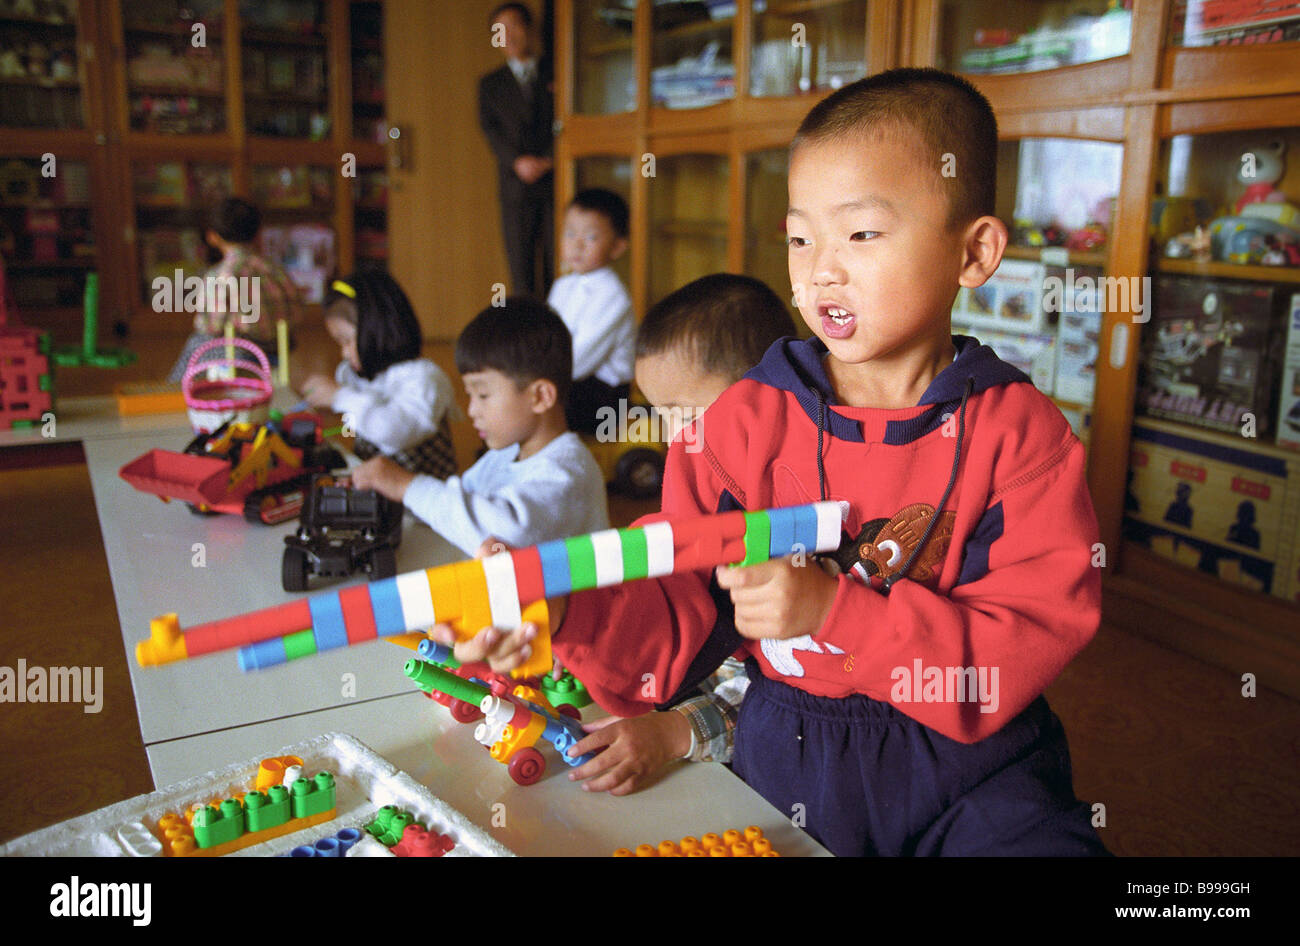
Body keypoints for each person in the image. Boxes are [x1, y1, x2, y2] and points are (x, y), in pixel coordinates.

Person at [447, 69, 1108, 857]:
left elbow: (1008, 656)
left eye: (861, 234)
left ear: (974, 252)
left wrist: (835, 612)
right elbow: (675, 603)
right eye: (800, 237)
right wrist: (561, 606)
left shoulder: (1019, 434)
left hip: (970, 774)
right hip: (789, 755)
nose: (820, 268)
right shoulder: (743, 424)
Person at [563, 273, 798, 795]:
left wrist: (674, 731)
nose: (672, 436)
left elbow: (779, 684)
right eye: (661, 413)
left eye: (684, 414)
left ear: (760, 397)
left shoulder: (790, 518)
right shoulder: (706, 488)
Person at [351, 297, 608, 556]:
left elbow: (505, 528)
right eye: (470, 396)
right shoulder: (504, 455)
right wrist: (387, 493)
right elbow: (459, 502)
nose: (472, 410)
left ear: (540, 396)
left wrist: (407, 485)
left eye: (483, 395)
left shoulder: (569, 473)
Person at [300, 272, 457, 479]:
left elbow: (392, 432)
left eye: (347, 341)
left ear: (376, 329)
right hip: (375, 487)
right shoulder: (355, 373)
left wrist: (340, 397)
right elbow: (354, 418)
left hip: (419, 502)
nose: (344, 353)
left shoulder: (423, 379)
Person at [167, 197, 300, 382]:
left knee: (197, 343)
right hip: (280, 349)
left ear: (212, 237)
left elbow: (209, 326)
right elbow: (296, 310)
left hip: (242, 356)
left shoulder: (220, 275)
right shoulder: (277, 271)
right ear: (257, 233)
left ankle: (176, 391)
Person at [479, 2, 553, 297]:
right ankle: (525, 337)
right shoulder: (490, 84)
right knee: (520, 269)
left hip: (554, 179)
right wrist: (517, 162)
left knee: (555, 264)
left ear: (529, 29)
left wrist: (550, 159)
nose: (508, 35)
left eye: (514, 26)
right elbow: (491, 130)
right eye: (500, 30)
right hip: (515, 186)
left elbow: (566, 120)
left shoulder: (555, 70)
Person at [547, 188, 634, 435]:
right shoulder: (563, 284)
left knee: (538, 405)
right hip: (569, 378)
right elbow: (549, 334)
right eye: (570, 233)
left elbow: (580, 361)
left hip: (605, 395)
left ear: (617, 247)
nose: (577, 244)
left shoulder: (613, 295)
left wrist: (540, 374)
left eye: (591, 237)